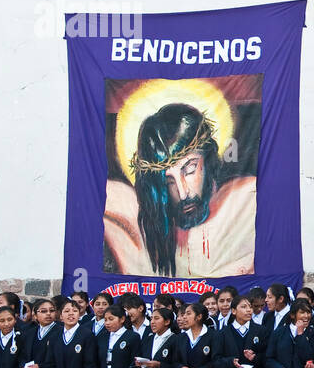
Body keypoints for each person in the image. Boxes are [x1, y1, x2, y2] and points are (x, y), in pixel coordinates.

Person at [104, 103, 256, 277]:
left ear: (208, 159)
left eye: (189, 170)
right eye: (169, 182)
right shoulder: (142, 223)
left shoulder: (248, 201)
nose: (183, 193)